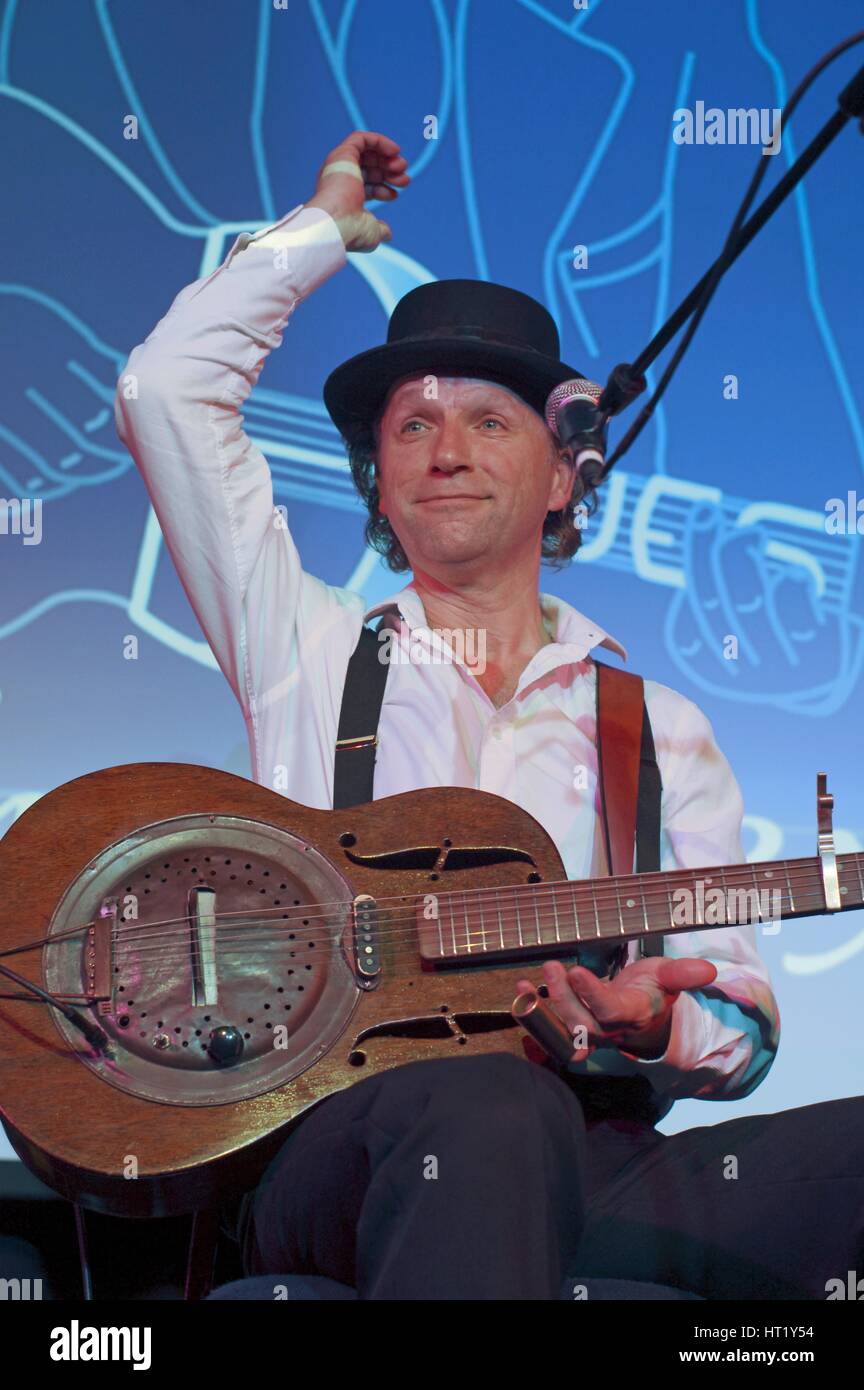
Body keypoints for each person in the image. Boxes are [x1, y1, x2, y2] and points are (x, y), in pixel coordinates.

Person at [114, 130, 862, 1301]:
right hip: (348, 1156)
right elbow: (163, 391)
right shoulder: (301, 648)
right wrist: (323, 228)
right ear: (378, 480)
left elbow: (741, 1011)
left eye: (489, 422)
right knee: (489, 1101)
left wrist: (648, 1028)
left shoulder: (656, 724)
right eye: (413, 426)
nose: (446, 451)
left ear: (565, 477)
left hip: (597, 1156)